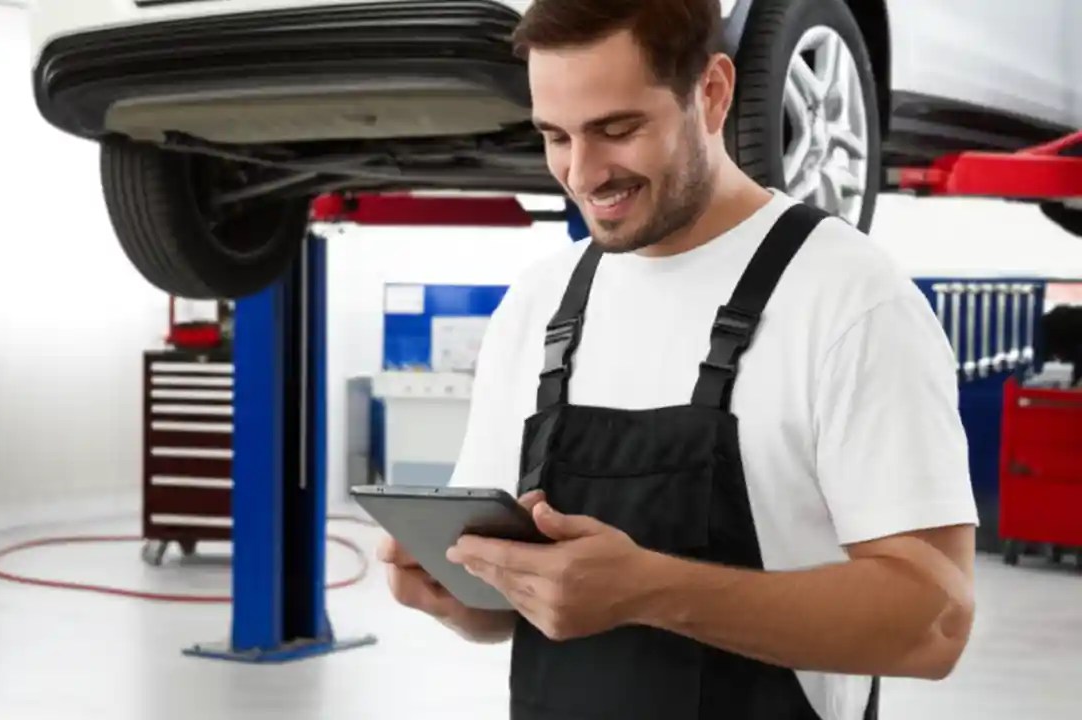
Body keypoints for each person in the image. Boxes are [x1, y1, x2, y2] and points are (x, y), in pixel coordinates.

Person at [378, 1, 978, 719]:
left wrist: (649, 588)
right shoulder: (538, 304)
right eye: (555, 136)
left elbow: (933, 622)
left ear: (714, 93)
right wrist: (457, 597)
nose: (583, 173)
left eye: (617, 130)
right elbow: (509, 611)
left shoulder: (849, 298)